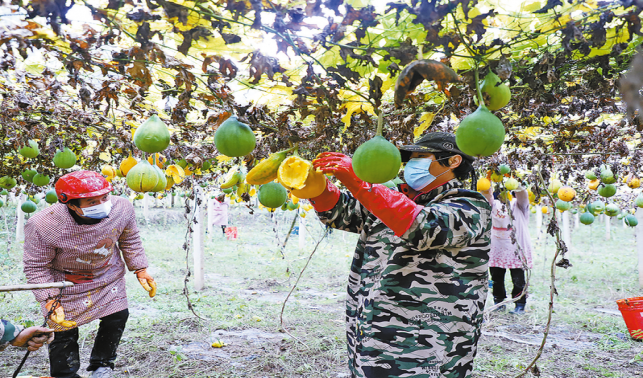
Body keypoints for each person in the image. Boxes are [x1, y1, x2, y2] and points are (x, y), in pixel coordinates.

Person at [309, 132, 492, 378]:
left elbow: (425, 227)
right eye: (410, 159)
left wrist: (361, 183)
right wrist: (314, 186)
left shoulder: (469, 205)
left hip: (429, 342)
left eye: (420, 156)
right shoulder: (396, 199)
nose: (411, 165)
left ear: (453, 161)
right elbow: (342, 213)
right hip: (375, 331)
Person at [23, 171, 156, 378]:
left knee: (117, 316)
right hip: (65, 283)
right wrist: (49, 298)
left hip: (107, 275)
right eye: (91, 201)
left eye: (104, 197)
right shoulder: (43, 225)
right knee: (62, 330)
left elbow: (130, 239)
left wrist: (140, 269)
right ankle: (64, 374)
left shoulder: (122, 208)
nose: (102, 204)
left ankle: (102, 365)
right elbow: (36, 266)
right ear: (71, 204)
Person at [481, 185, 533, 314]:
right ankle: (499, 302)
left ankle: (520, 304)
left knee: (518, 279)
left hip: (516, 248)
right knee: (496, 278)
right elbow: (487, 195)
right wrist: (488, 181)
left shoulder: (519, 205)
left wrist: (514, 181)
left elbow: (522, 194)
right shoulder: (493, 205)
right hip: (497, 247)